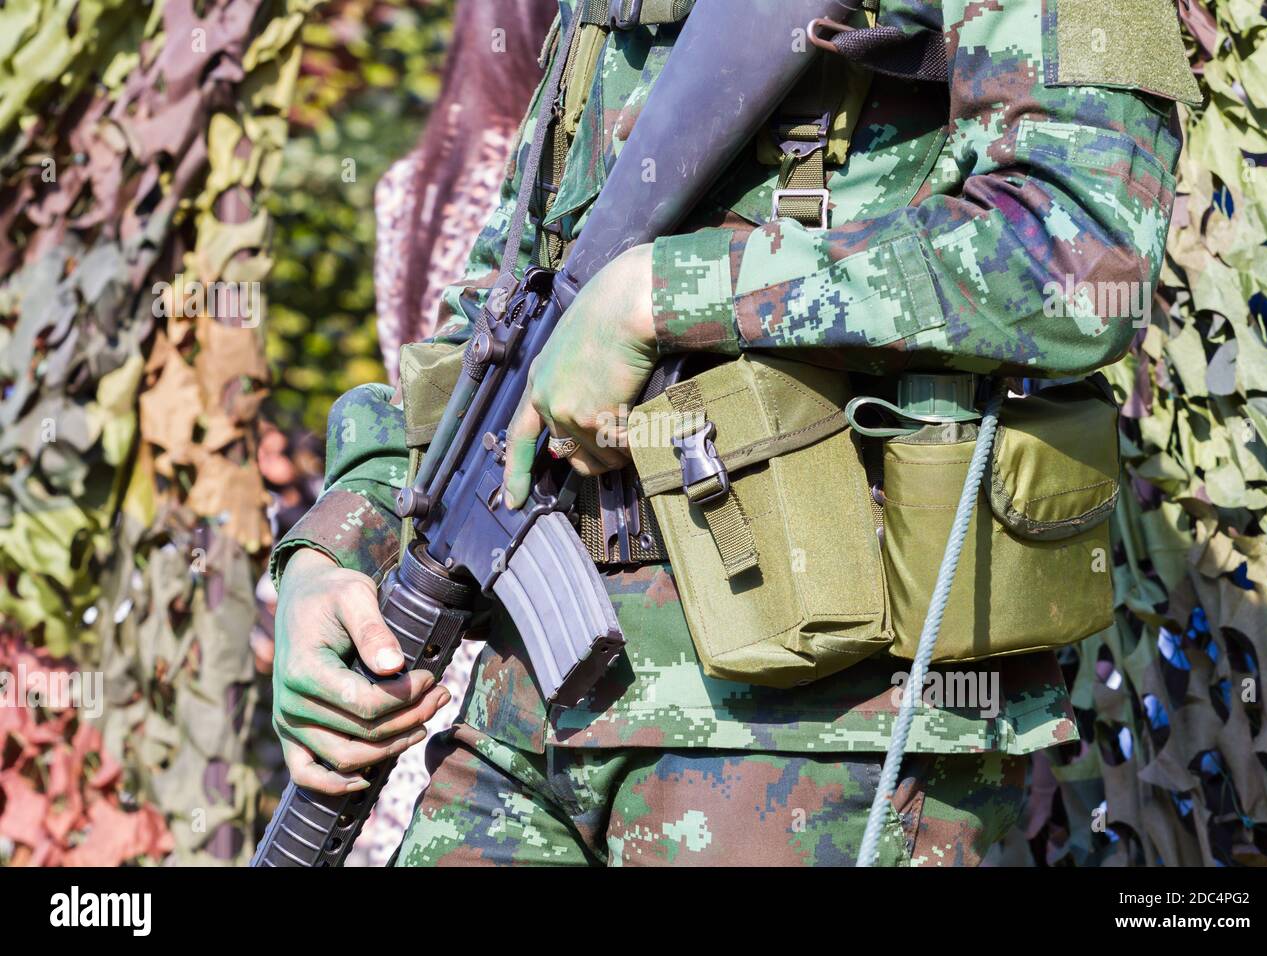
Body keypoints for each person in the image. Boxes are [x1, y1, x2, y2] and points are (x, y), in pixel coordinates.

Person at [267, 0, 1198, 865]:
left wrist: (665, 296)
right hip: (525, 722)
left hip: (816, 736)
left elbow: (1080, 253)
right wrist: (338, 547)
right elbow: (503, 315)